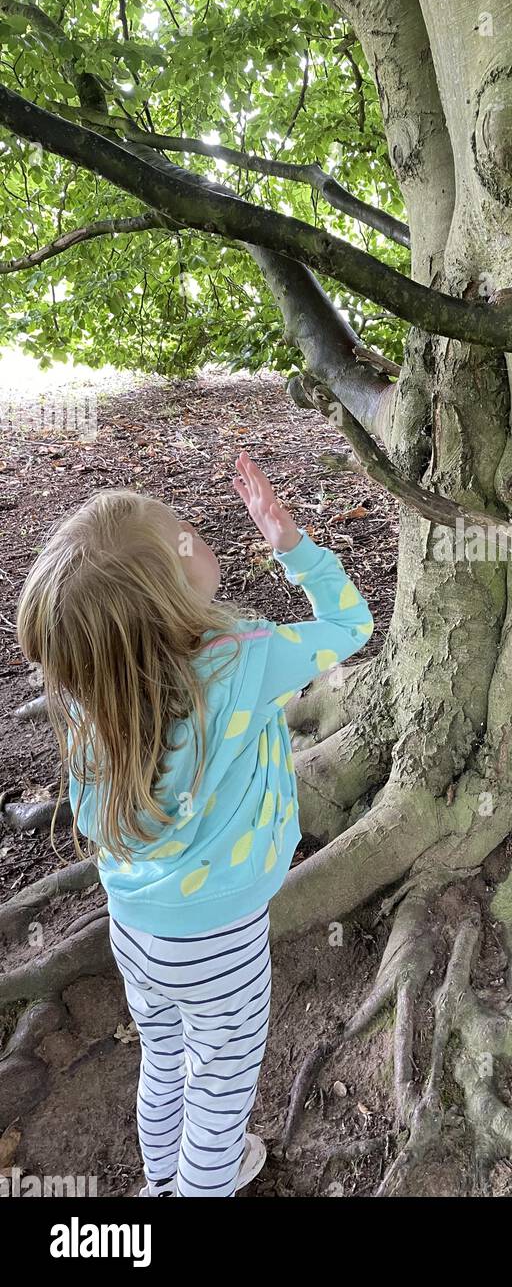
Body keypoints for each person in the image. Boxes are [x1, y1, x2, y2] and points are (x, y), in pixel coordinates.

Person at [16, 452, 374, 1196]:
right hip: (221, 939)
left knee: (164, 1059)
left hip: (136, 928)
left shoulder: (90, 693)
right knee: (219, 1094)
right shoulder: (245, 661)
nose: (197, 530)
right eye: (184, 532)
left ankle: (160, 1183)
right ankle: (202, 1185)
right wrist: (291, 544)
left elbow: (92, 809)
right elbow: (351, 624)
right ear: (172, 585)